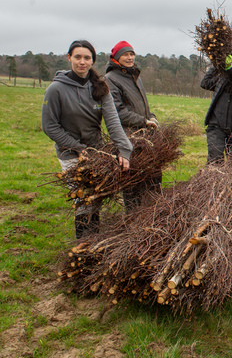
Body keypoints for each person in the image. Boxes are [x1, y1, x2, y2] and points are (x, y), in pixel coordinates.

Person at [41, 40, 133, 238]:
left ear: (92, 60)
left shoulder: (100, 87)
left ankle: (92, 242)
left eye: (87, 58)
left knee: (95, 197)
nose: (82, 62)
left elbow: (113, 122)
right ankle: (84, 247)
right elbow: (50, 126)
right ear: (69, 58)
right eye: (77, 57)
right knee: (82, 200)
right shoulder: (56, 89)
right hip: (70, 153)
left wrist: (125, 149)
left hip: (95, 151)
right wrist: (77, 147)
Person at [105, 40, 160, 210]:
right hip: (129, 137)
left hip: (145, 135)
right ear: (116, 57)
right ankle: (133, 219)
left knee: (153, 178)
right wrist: (143, 121)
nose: (130, 58)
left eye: (131, 54)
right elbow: (117, 111)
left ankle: (153, 212)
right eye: (125, 54)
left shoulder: (135, 75)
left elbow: (142, 104)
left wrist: (151, 116)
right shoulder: (110, 79)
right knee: (133, 181)